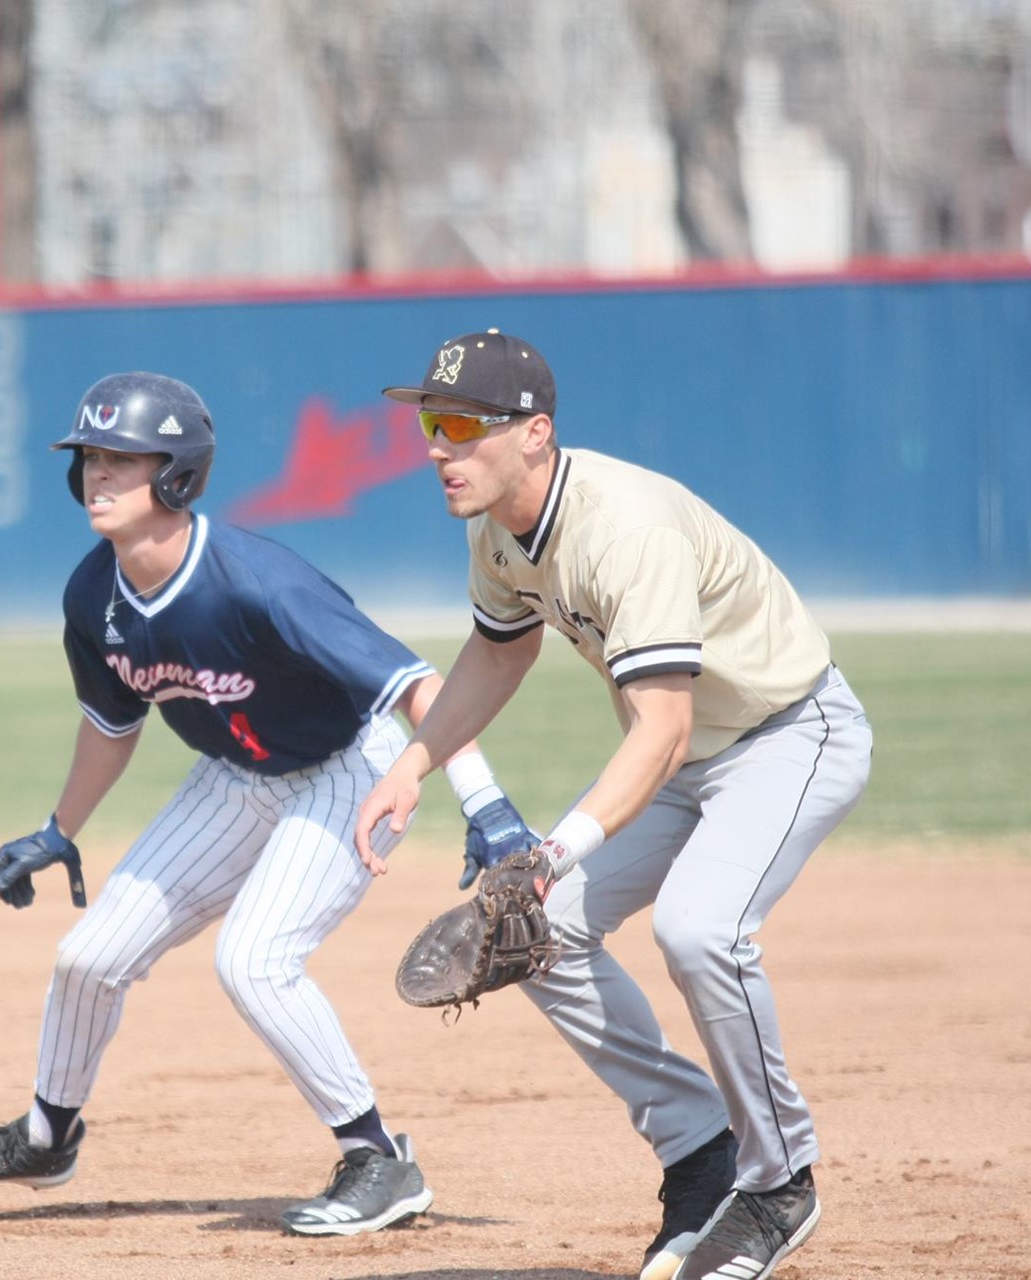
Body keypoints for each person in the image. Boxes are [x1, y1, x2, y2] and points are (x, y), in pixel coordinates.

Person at [0, 371, 538, 1236]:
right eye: (90, 457)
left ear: (175, 474)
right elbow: (111, 720)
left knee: (255, 958)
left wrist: (485, 802)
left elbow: (418, 685)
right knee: (88, 955)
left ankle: (379, 1159)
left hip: (347, 766)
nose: (99, 475)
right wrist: (59, 831)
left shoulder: (256, 582)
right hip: (235, 781)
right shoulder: (92, 595)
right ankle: (48, 1137)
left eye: (123, 460)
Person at [356, 330, 873, 1280]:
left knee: (699, 930)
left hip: (791, 734)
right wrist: (414, 763)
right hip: (689, 756)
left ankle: (779, 1180)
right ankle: (700, 1148)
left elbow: (663, 730)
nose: (438, 445)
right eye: (432, 421)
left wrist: (554, 847)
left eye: (464, 424)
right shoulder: (497, 526)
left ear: (535, 434)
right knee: (536, 929)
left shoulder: (623, 527)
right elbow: (500, 650)